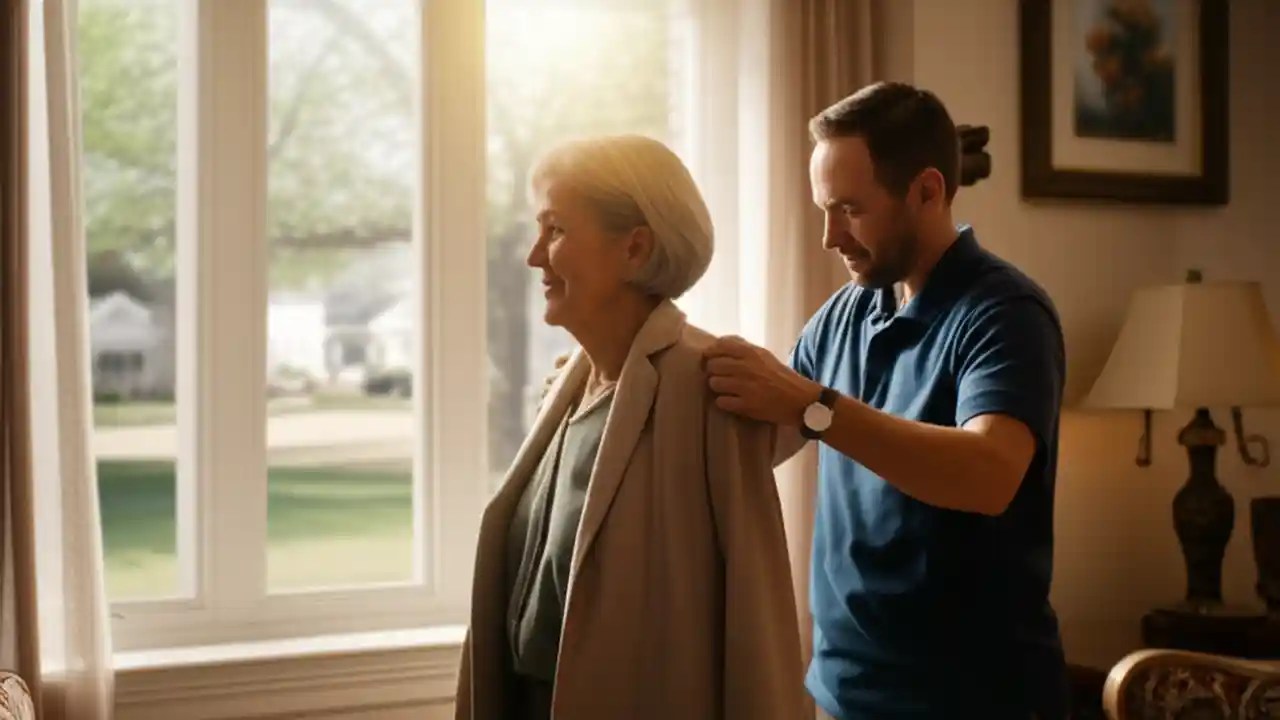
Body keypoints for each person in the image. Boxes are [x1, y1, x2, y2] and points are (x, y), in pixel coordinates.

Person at [704, 82, 1069, 719]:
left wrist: (816, 407)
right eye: (824, 209)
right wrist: (630, 381)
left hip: (975, 703)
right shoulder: (844, 314)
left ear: (927, 191)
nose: (829, 236)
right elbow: (764, 438)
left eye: (849, 208)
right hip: (844, 695)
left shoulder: (1006, 313)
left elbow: (988, 475)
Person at [455, 134, 806, 720]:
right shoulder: (567, 387)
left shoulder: (709, 386)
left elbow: (754, 620)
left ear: (635, 249)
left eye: (556, 230)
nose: (534, 256)